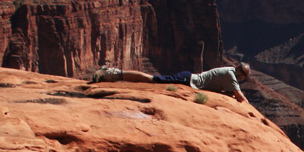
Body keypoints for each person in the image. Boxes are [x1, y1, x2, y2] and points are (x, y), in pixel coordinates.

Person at [92, 62, 252, 104]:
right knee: (151, 79)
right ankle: (112, 73)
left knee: (152, 79)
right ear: (241, 73)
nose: (242, 76)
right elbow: (240, 97)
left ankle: (112, 73)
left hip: (188, 79)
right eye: (243, 74)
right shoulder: (231, 75)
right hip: (186, 81)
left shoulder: (230, 71)